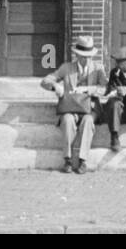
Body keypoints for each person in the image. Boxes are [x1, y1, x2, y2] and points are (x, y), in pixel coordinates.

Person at [40, 34, 106, 174]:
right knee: (67, 119)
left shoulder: (98, 68)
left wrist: (88, 90)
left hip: (90, 109)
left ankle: (83, 161)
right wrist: (55, 86)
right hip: (70, 107)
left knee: (88, 121)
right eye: (82, 55)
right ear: (77, 55)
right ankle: (68, 160)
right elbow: (45, 81)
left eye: (88, 56)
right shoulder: (67, 68)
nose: (85, 59)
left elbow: (105, 89)